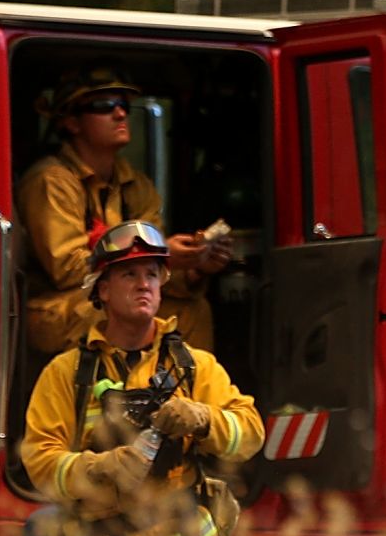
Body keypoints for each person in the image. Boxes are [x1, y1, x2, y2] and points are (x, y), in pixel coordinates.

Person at [22, 220, 264, 536]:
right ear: (102, 290)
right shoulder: (67, 373)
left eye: (153, 274)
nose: (145, 284)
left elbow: (250, 433)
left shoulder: (195, 367)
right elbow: (40, 460)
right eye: (130, 275)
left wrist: (203, 419)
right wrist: (99, 468)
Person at [16, 65, 232, 354]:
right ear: (71, 122)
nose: (120, 114)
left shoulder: (136, 185)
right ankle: (114, 397)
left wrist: (191, 268)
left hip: (115, 293)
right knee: (119, 309)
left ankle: (186, 396)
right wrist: (157, 254)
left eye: (124, 105)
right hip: (55, 308)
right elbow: (67, 271)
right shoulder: (51, 180)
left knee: (193, 309)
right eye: (104, 105)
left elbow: (152, 272)